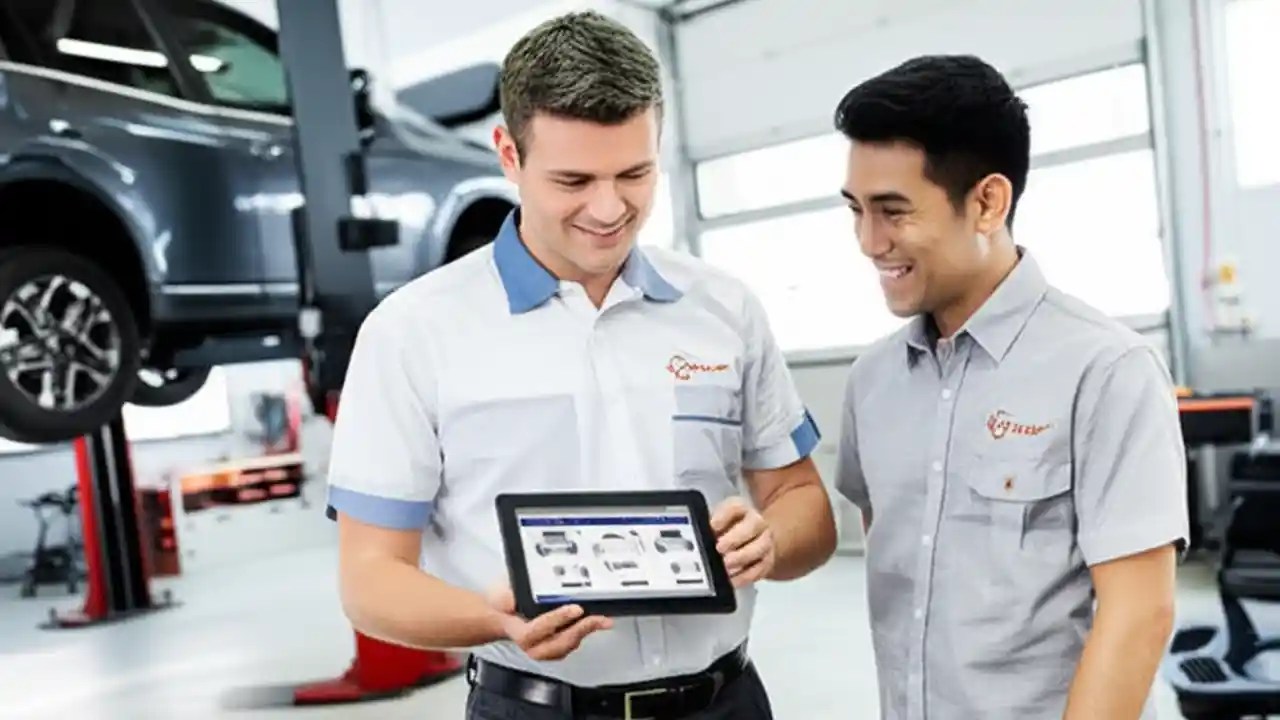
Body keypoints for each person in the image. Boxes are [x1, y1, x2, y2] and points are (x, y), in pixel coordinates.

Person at [325, 10, 837, 720]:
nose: (608, 208)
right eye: (573, 179)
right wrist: (494, 620)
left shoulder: (724, 308)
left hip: (728, 703)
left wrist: (773, 539)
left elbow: (806, 507)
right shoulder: (414, 333)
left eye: (635, 173)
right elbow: (370, 579)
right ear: (509, 154)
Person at [831, 55, 1188, 720]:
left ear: (988, 201)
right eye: (855, 210)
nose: (868, 241)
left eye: (893, 211)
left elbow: (1141, 611)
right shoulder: (872, 381)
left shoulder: (1106, 370)